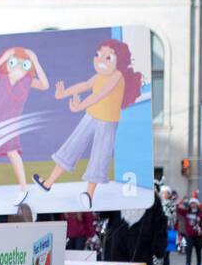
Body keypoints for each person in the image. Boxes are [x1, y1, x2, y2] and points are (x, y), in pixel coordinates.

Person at [33, 38, 145, 209]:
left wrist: (80, 106)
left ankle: (89, 194)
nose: (101, 60)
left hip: (107, 121)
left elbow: (99, 95)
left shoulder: (116, 76)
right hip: (91, 116)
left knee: (100, 155)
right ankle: (48, 182)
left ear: (119, 61)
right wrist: (63, 94)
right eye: (98, 55)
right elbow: (85, 85)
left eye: (108, 58)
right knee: (72, 145)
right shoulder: (99, 76)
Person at [0, 46, 51, 202]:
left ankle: (23, 188)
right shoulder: (0, 77)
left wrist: (35, 61)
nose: (17, 67)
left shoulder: (27, 81)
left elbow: (45, 85)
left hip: (10, 123)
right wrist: (2, 59)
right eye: (13, 62)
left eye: (23, 64)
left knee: (12, 152)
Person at [101, 195, 167, 265]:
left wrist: (159, 245)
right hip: (119, 237)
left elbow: (160, 221)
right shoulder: (117, 193)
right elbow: (104, 213)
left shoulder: (151, 197)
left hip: (143, 240)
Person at [176, 196, 202, 265]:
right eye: (191, 203)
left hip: (198, 235)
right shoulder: (186, 212)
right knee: (188, 251)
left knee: (198, 251)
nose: (193, 205)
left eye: (194, 203)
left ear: (197, 204)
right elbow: (177, 210)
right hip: (189, 235)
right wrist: (179, 202)